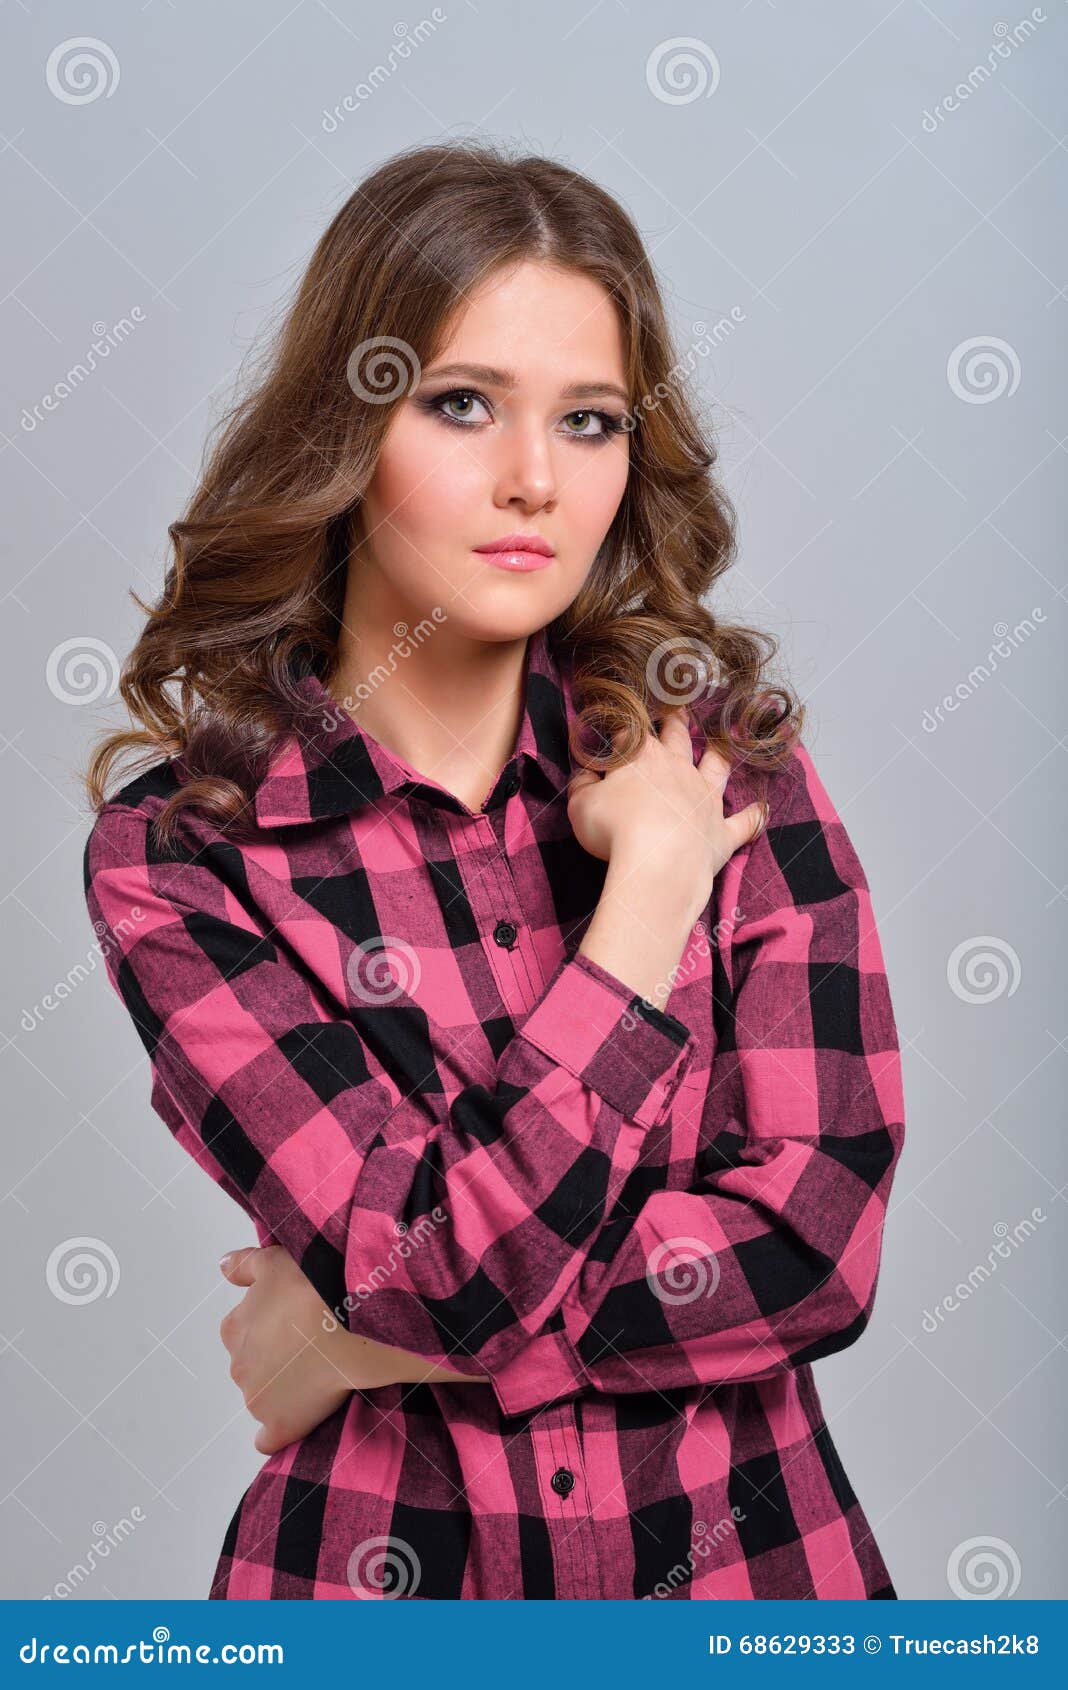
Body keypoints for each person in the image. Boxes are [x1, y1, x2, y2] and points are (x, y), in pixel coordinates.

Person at [82, 140, 905, 1601]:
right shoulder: (184, 858)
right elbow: (435, 1272)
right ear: (348, 422)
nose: (535, 479)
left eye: (589, 423)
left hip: (755, 1587)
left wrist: (348, 1334)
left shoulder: (729, 773)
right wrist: (646, 905)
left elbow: (815, 1243)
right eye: (464, 405)